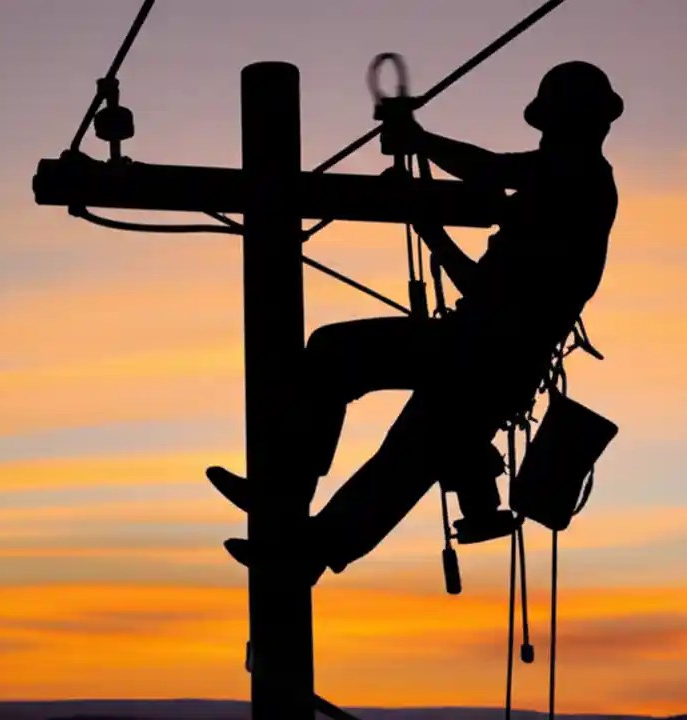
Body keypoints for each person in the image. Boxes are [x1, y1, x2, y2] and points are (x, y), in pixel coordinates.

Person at [208, 61, 623, 584]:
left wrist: (420, 153)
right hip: (484, 356)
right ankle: (294, 527)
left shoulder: (577, 182)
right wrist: (424, 181)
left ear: (572, 124)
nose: (543, 138)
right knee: (402, 454)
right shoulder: (562, 184)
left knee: (370, 403)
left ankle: (290, 516)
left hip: (485, 356)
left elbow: (492, 176)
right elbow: (496, 183)